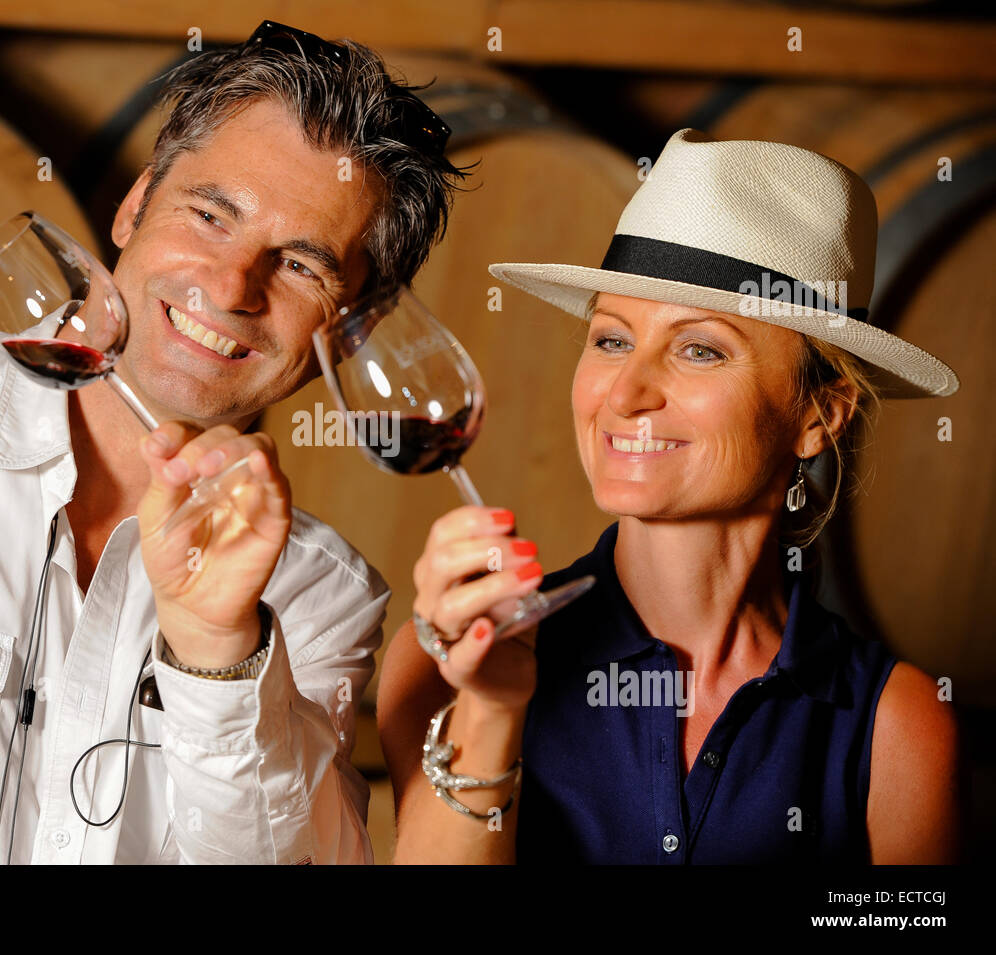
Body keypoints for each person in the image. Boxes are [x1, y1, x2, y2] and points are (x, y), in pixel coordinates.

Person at [0, 20, 468, 864]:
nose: (231, 284)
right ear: (135, 208)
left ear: (354, 331)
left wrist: (219, 652)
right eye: (210, 214)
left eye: (300, 266)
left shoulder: (321, 597)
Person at [377, 129, 964, 864]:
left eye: (700, 349)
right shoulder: (446, 657)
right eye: (612, 340)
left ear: (820, 416)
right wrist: (492, 708)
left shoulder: (896, 721)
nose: (626, 394)